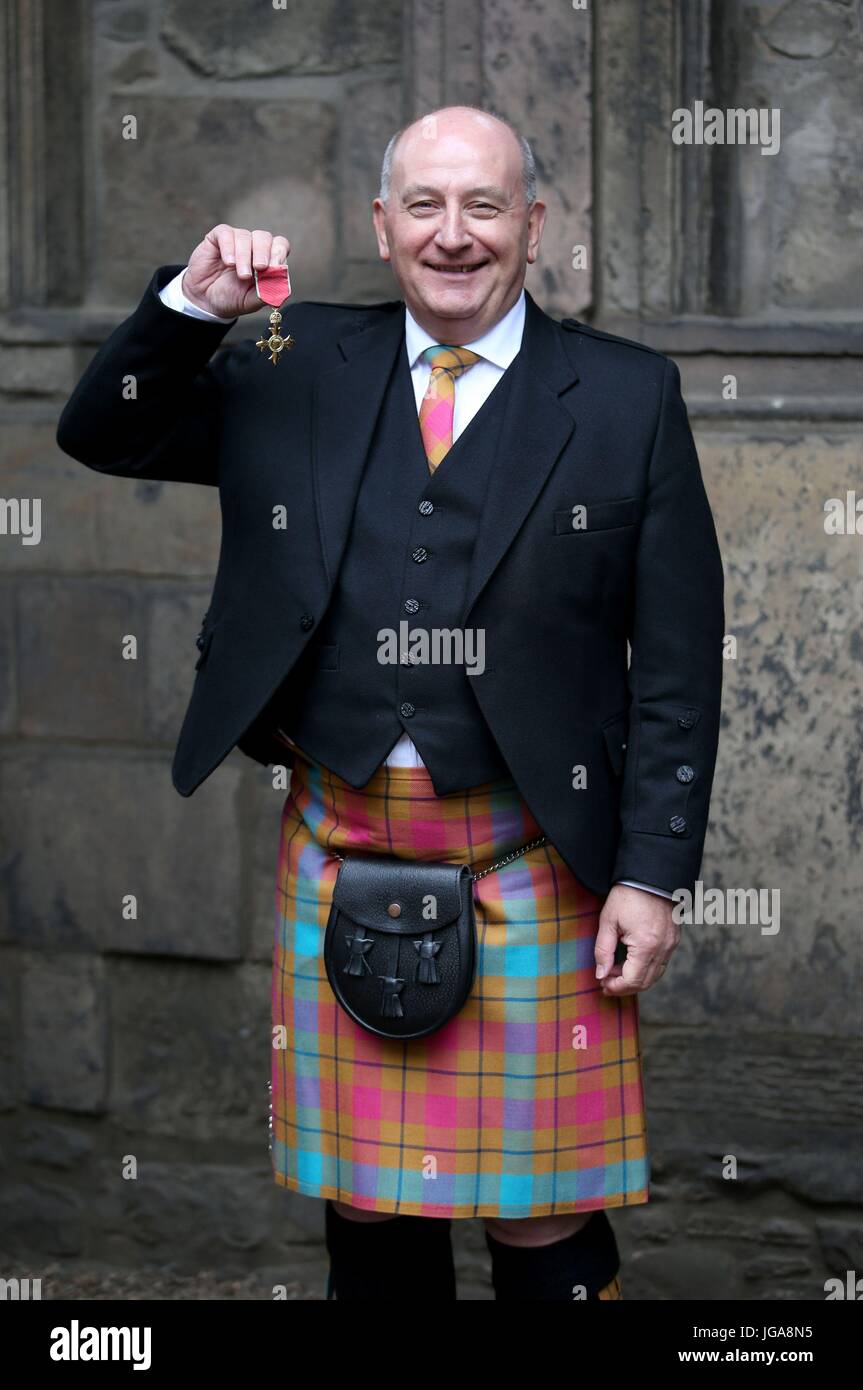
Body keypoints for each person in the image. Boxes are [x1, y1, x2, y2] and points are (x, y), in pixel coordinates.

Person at [56, 105, 724, 1301]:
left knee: (540, 1212)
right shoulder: (286, 358)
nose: (452, 234)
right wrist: (192, 309)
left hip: (535, 854)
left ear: (531, 224)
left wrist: (649, 872)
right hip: (341, 838)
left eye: (482, 206)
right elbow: (104, 432)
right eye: (423, 205)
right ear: (380, 225)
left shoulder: (625, 397)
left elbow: (677, 658)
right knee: (369, 1202)